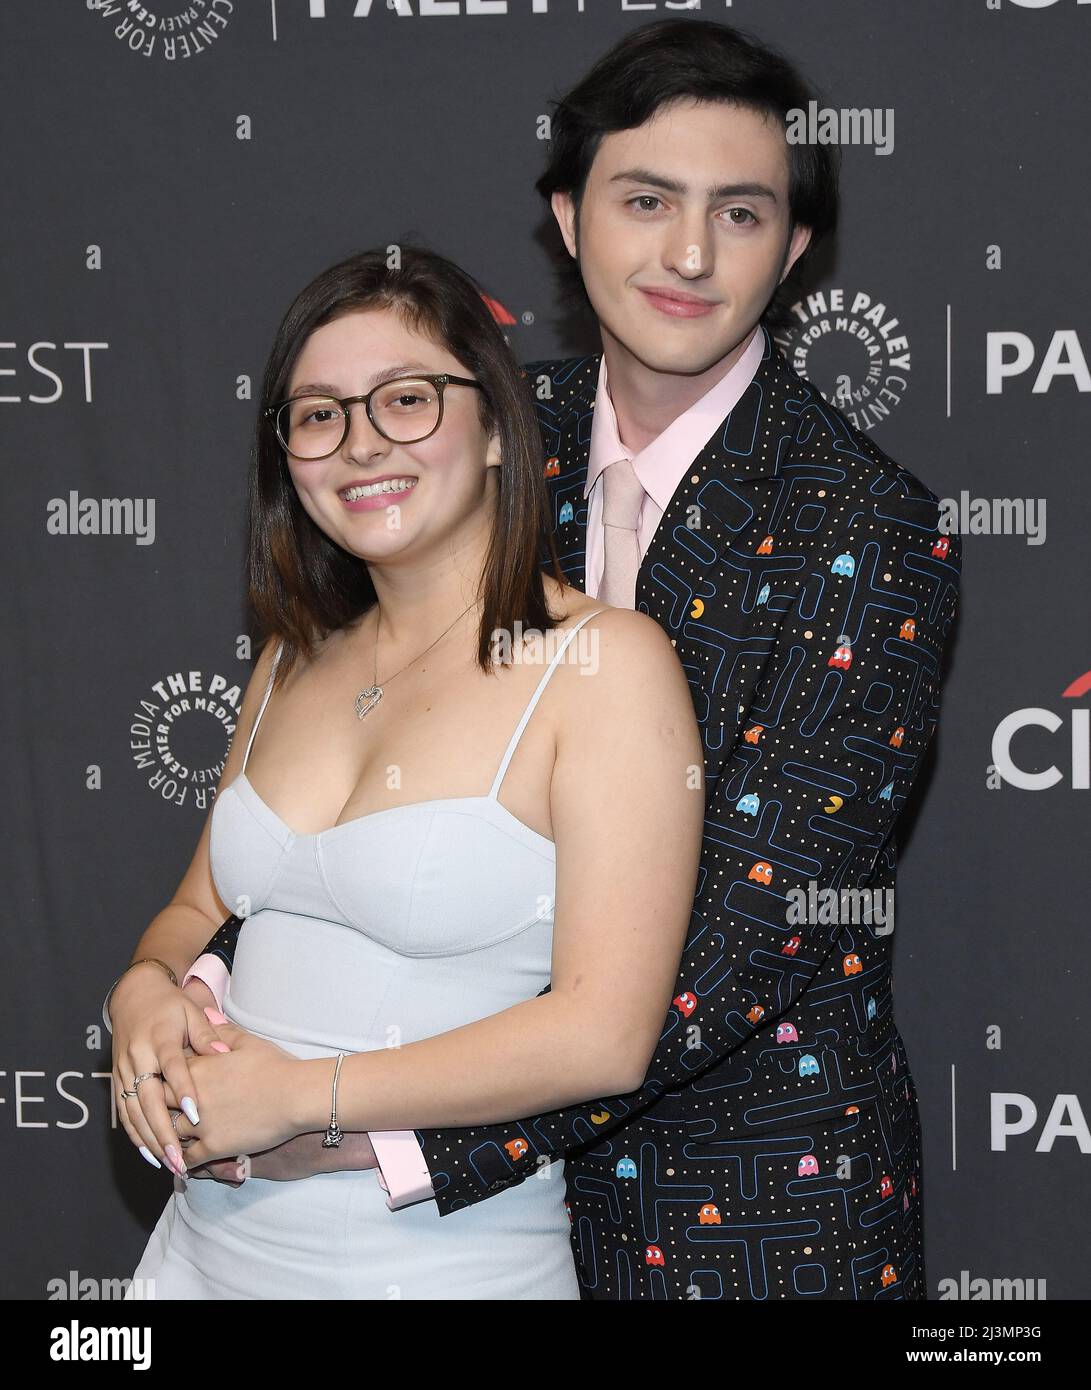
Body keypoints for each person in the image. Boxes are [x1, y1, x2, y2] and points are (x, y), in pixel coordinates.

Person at [125, 17, 963, 1301]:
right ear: (568, 220)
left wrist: (346, 1127)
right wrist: (172, 990)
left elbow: (732, 945)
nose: (688, 253)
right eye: (645, 200)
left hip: (737, 1202)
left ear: (795, 248)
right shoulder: (473, 429)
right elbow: (335, 777)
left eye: (740, 214)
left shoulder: (868, 527)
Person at [105, 243, 706, 1299]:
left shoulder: (604, 665)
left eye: (406, 399)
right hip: (199, 1257)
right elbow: (198, 906)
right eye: (319, 414)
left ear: (493, 428)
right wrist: (142, 988)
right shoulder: (290, 659)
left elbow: (604, 1033)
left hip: (439, 1270)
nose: (361, 442)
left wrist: (305, 1095)